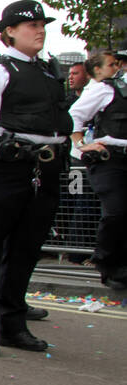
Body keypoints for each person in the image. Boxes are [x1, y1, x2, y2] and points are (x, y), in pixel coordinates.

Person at [0, 0, 70, 356]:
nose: (39, 30)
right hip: (8, 166)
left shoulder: (50, 71)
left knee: (25, 250)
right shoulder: (2, 71)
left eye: (42, 24)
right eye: (30, 25)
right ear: (9, 32)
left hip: (46, 170)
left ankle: (12, 323)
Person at [70, 50, 127, 288]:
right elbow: (74, 115)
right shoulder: (106, 89)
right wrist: (82, 144)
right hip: (110, 160)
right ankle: (106, 263)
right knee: (116, 211)